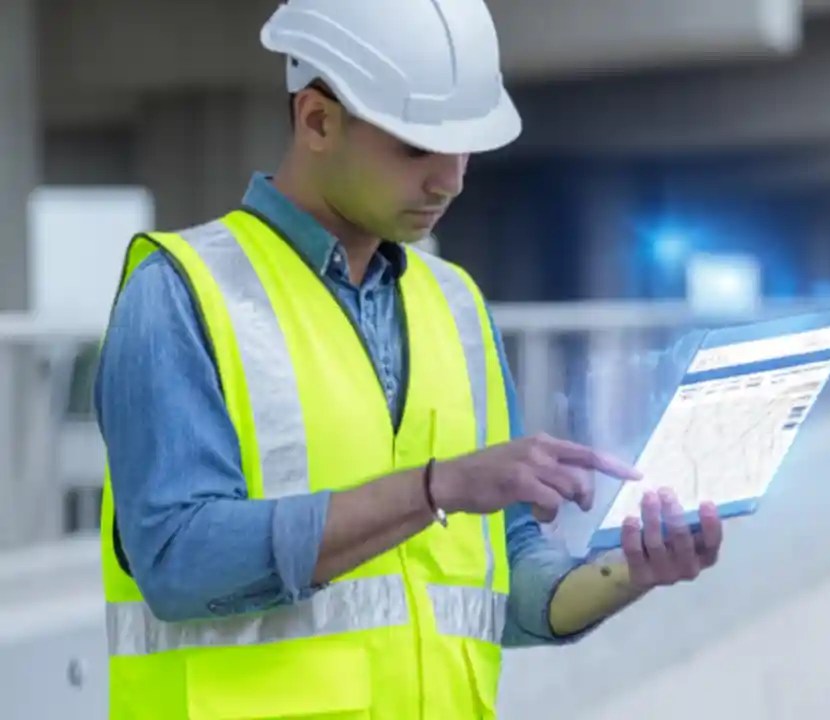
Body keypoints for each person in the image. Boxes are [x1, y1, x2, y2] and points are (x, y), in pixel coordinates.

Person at [93, 1, 724, 717]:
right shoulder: (179, 293)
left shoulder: (454, 306)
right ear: (317, 120)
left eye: (464, 148)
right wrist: (433, 488)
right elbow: (177, 563)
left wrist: (628, 572)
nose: (450, 180)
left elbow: (503, 581)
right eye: (416, 148)